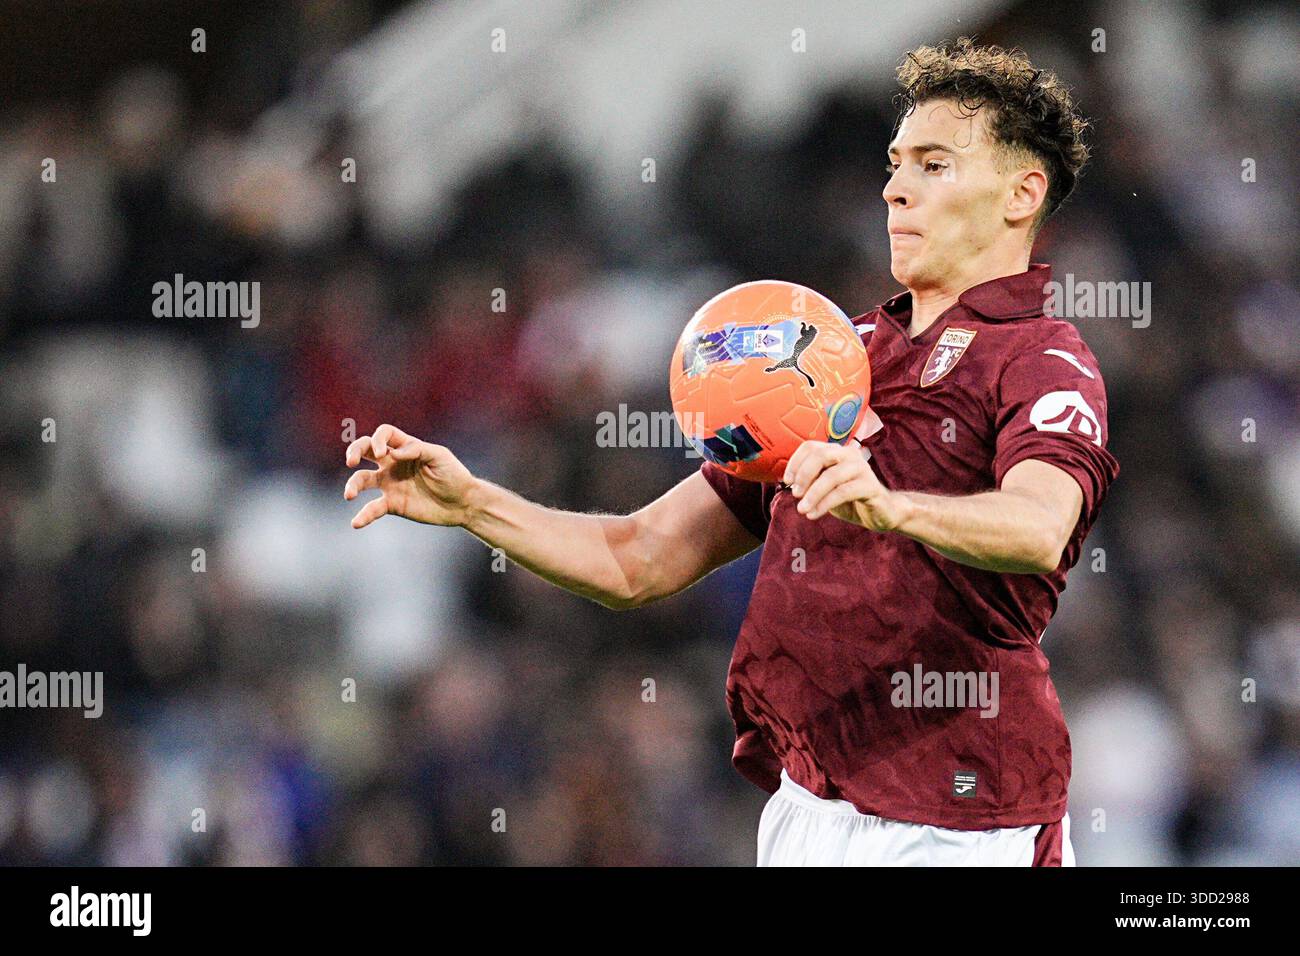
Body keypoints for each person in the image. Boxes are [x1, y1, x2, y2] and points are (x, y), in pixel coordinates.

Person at [342, 38, 1119, 866]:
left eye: (933, 165)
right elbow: (640, 558)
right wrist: (475, 506)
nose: (894, 188)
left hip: (964, 820)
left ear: (1020, 192)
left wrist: (890, 507)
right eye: (897, 163)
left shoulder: (1041, 357)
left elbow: (1040, 524)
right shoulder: (831, 354)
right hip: (807, 808)